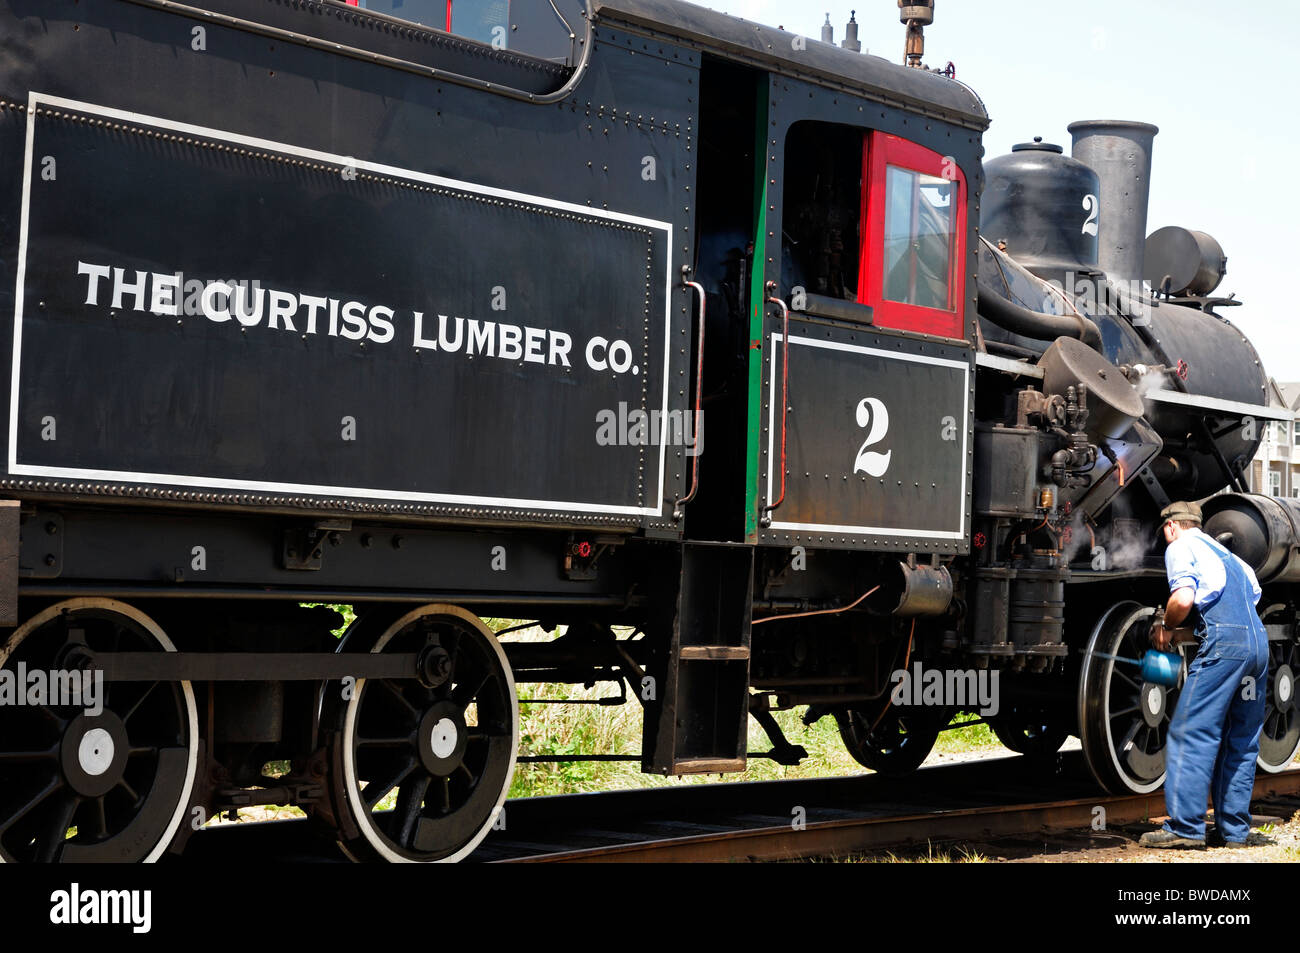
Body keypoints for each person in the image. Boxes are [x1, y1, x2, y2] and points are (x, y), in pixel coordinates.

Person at [1139, 500, 1270, 849]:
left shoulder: (1181, 546)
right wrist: (1185, 634)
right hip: (1258, 646)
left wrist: (1166, 627)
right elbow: (1237, 614)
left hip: (1227, 648)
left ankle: (1185, 827)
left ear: (1171, 527)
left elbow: (1183, 599)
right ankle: (1234, 832)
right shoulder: (1233, 559)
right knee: (1240, 740)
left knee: (1191, 729)